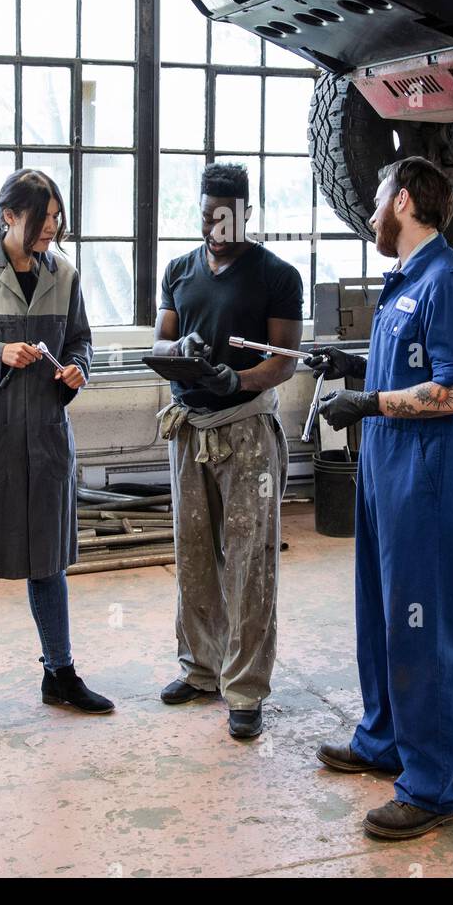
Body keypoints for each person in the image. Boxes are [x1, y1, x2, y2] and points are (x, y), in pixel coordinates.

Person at [307, 156, 453, 839]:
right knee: (382, 620)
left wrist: (371, 400)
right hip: (387, 480)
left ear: (407, 200)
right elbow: (413, 366)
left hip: (430, 487)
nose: (372, 210)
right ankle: (384, 738)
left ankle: (432, 785)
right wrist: (357, 367)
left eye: (380, 195)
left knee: (424, 631)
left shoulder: (448, 281)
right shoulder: (405, 282)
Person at [0, 168, 114, 738]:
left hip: (46, 441)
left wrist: (78, 368)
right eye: (43, 217)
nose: (53, 228)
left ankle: (59, 674)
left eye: (57, 217)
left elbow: (81, 339)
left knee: (48, 563)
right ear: (9, 216)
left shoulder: (66, 276)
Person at [153, 163, 303, 739]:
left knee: (249, 560)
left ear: (245, 211)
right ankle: (200, 669)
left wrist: (236, 382)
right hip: (189, 428)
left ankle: (244, 688)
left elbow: (283, 361)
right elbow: (162, 339)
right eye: (206, 211)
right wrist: (179, 348)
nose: (214, 222)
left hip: (245, 431)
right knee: (193, 555)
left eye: (226, 212)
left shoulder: (276, 276)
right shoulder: (179, 270)